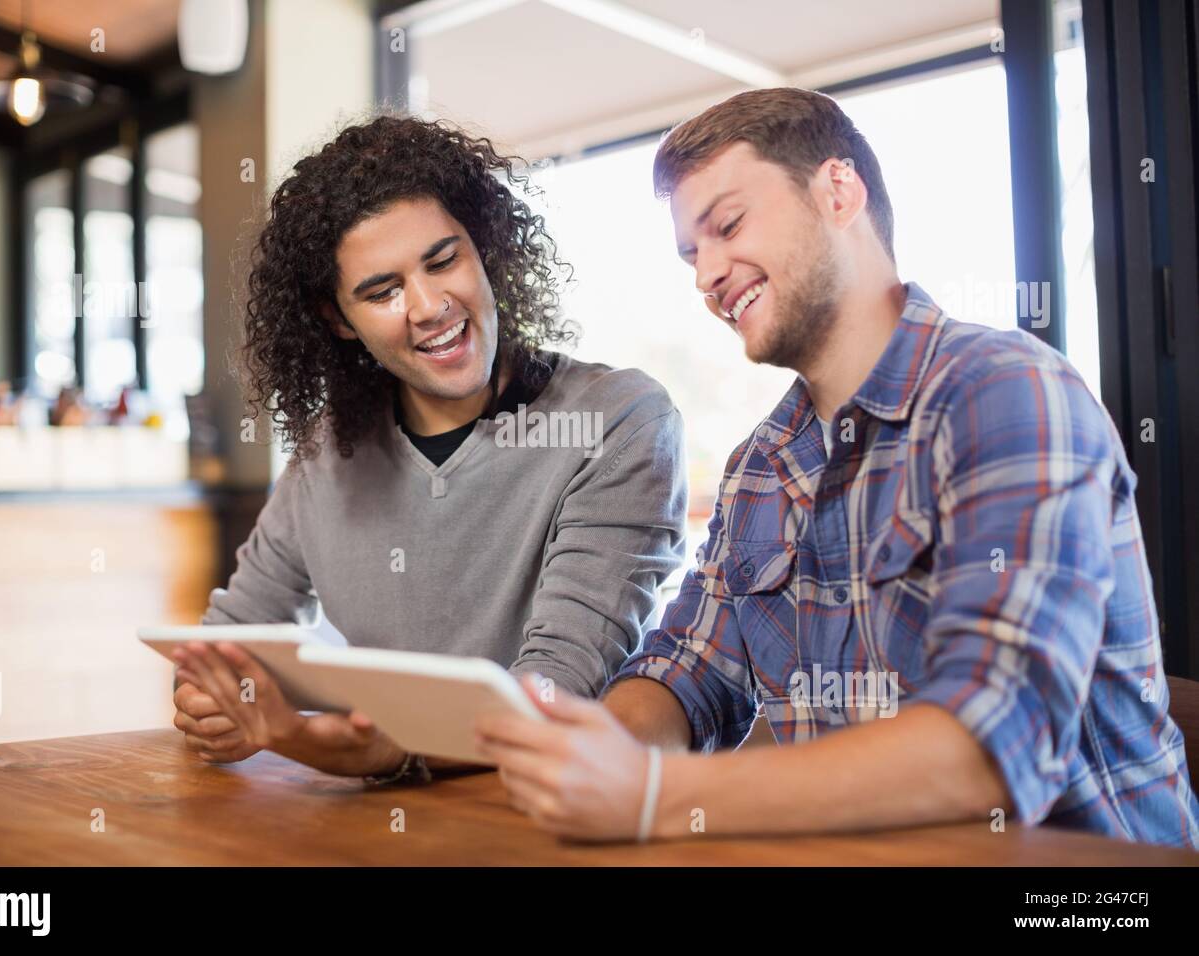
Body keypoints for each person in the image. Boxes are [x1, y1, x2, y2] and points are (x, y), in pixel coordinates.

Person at [475, 88, 1199, 849]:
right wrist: (599, 750)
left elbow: (988, 748)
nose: (707, 275)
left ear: (838, 191)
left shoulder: (1004, 393)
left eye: (727, 227)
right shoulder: (762, 463)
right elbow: (686, 670)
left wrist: (655, 794)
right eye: (692, 254)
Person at [172, 115, 687, 784]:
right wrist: (211, 701)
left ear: (485, 251)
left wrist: (379, 748)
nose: (428, 306)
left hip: (553, 820)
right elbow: (229, 639)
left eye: (444, 261)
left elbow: (555, 694)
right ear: (338, 319)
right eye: (382, 291)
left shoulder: (617, 421)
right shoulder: (326, 455)